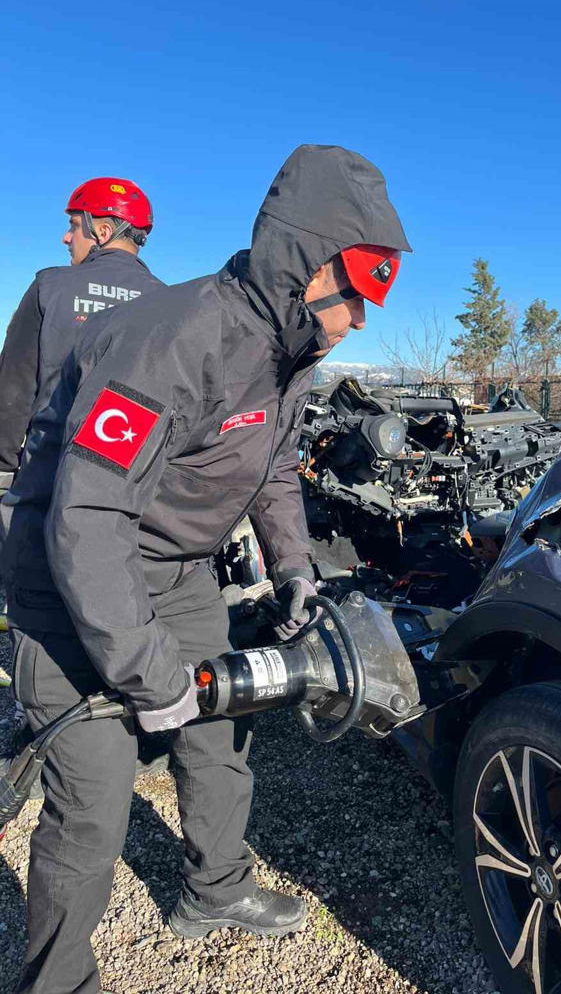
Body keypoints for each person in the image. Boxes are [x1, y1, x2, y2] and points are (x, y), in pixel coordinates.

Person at [0, 144, 410, 994]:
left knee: (218, 740)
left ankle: (212, 891)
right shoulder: (175, 337)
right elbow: (90, 513)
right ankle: (57, 982)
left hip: (181, 570)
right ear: (306, 265)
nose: (363, 320)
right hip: (72, 572)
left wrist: (294, 566)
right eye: (362, 293)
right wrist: (146, 670)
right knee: (92, 802)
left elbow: (273, 469)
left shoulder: (287, 356)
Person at [0, 177, 160, 495]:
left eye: (74, 226)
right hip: (128, 496)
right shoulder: (169, 302)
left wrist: (3, 464)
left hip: (43, 482)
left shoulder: (49, 287)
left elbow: (13, 389)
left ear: (102, 232)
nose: (66, 237)